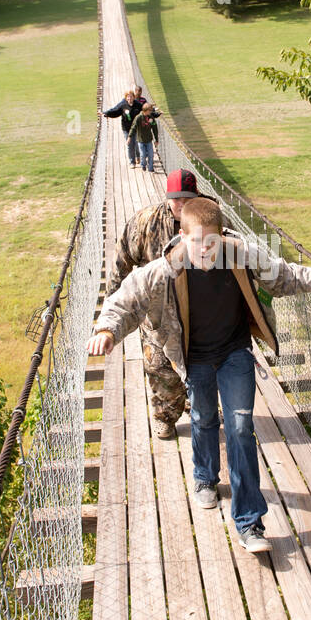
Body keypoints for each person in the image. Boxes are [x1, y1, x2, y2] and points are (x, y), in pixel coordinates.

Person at [88, 196, 311, 553]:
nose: (206, 250)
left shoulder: (241, 254)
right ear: (182, 238)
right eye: (197, 243)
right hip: (194, 357)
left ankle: (249, 523)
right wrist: (107, 330)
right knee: (204, 417)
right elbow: (126, 301)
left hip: (234, 353)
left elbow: (280, 275)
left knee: (241, 428)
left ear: (222, 238)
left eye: (213, 242)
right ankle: (204, 477)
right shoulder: (166, 269)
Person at [106, 168, 206, 440]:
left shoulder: (210, 218)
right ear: (168, 198)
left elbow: (236, 255)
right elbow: (122, 260)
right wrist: (113, 307)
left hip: (201, 311)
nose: (182, 204)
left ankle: (196, 404)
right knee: (161, 369)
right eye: (177, 199)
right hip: (158, 314)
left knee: (203, 364)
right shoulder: (146, 222)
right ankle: (165, 416)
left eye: (188, 198)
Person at [102, 88, 144, 165]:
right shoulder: (123, 105)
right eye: (128, 97)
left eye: (131, 96)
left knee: (137, 144)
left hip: (136, 128)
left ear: (134, 97)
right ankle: (132, 162)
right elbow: (115, 111)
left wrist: (154, 111)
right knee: (130, 144)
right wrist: (106, 113)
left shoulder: (138, 105)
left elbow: (145, 110)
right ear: (126, 98)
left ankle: (138, 156)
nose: (129, 98)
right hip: (126, 128)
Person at [127, 102, 159, 173]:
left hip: (149, 140)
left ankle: (150, 168)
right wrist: (129, 136)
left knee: (151, 154)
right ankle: (143, 165)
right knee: (143, 155)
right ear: (146, 110)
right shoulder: (138, 118)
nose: (151, 112)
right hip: (141, 140)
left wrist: (156, 139)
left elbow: (155, 128)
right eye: (150, 110)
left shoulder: (151, 118)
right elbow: (133, 127)